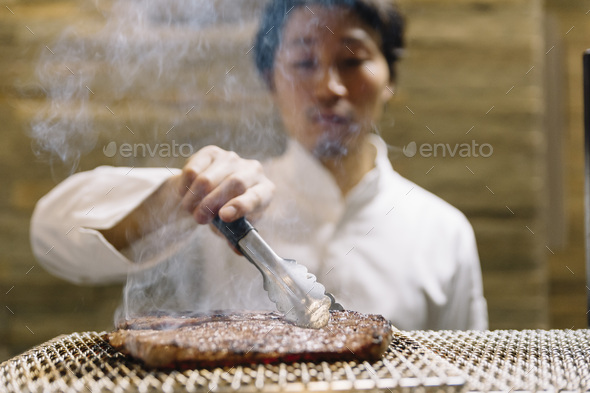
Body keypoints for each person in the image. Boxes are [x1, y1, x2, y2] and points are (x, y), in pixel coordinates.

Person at [30, 0, 488, 330]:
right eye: (304, 60)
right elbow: (50, 239)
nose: (329, 87)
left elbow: (466, 374)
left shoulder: (444, 232)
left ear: (389, 77)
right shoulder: (229, 195)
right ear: (272, 80)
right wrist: (180, 196)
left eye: (352, 60)